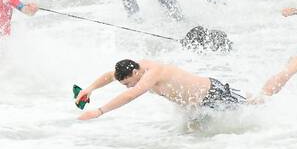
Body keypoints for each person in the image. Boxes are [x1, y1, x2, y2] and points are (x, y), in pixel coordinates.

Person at [76, 59, 248, 119]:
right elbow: (110, 75)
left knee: (251, 113)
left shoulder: (152, 73)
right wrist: (90, 88)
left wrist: (99, 112)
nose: (129, 86)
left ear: (135, 72)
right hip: (194, 107)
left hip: (213, 96)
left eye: (128, 83)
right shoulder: (133, 70)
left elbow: (130, 95)